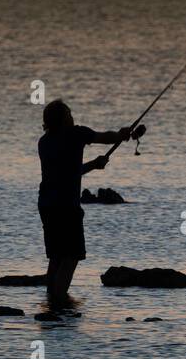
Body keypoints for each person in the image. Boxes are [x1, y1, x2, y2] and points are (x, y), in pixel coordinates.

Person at [37, 99, 146, 304]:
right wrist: (122, 135)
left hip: (47, 205)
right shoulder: (76, 134)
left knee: (56, 256)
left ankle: (51, 299)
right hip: (66, 206)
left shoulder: (44, 142)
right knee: (71, 255)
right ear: (62, 119)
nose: (72, 117)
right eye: (69, 114)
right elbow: (104, 137)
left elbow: (67, 173)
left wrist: (94, 164)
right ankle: (60, 301)